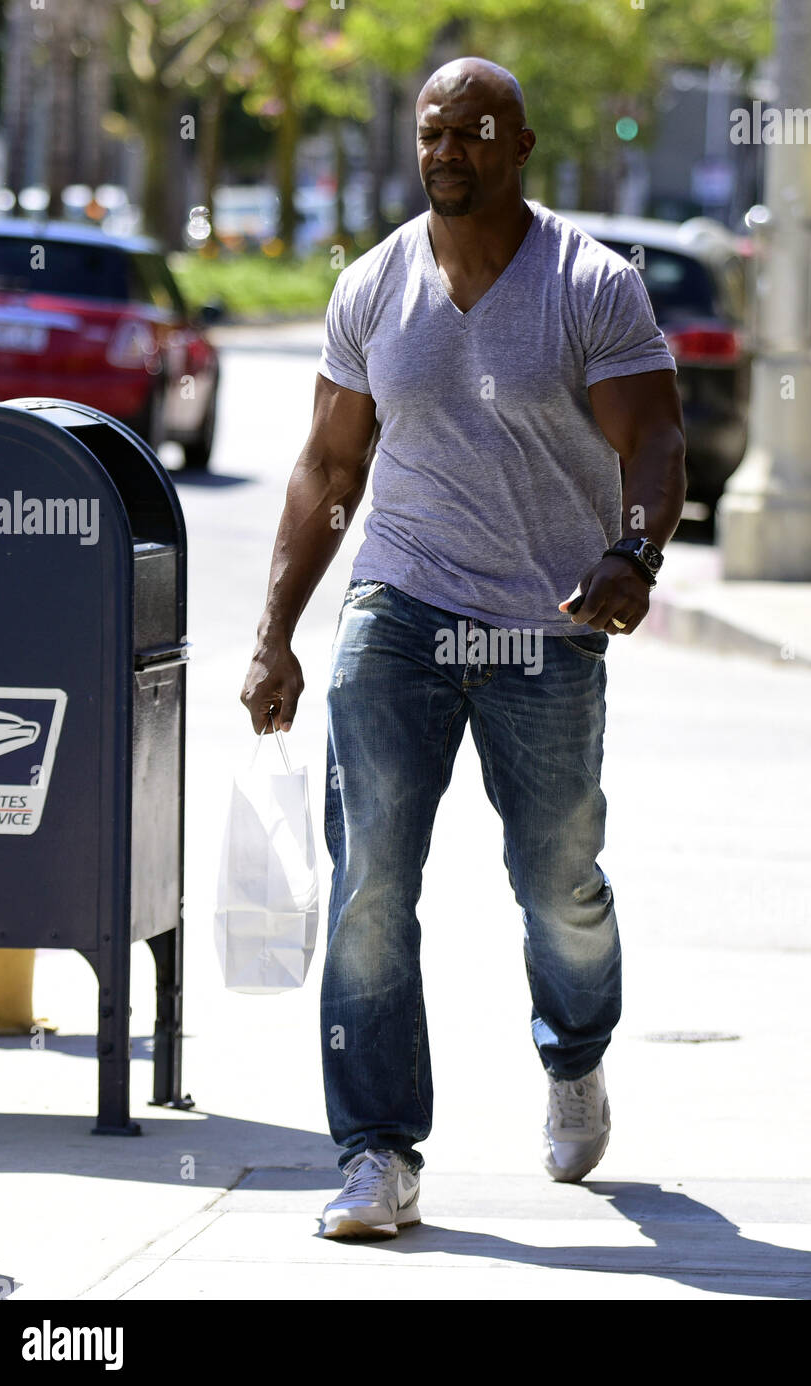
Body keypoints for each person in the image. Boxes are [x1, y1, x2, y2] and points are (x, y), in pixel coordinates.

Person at [241, 56, 686, 1239]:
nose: (449, 149)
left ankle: (574, 1053)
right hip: (401, 605)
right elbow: (332, 468)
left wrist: (631, 555)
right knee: (370, 880)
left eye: (474, 131)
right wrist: (276, 632)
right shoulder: (375, 283)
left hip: (549, 623)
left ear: (520, 145)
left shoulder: (589, 283)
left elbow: (654, 442)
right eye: (433, 130)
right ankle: (378, 1150)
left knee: (557, 885)